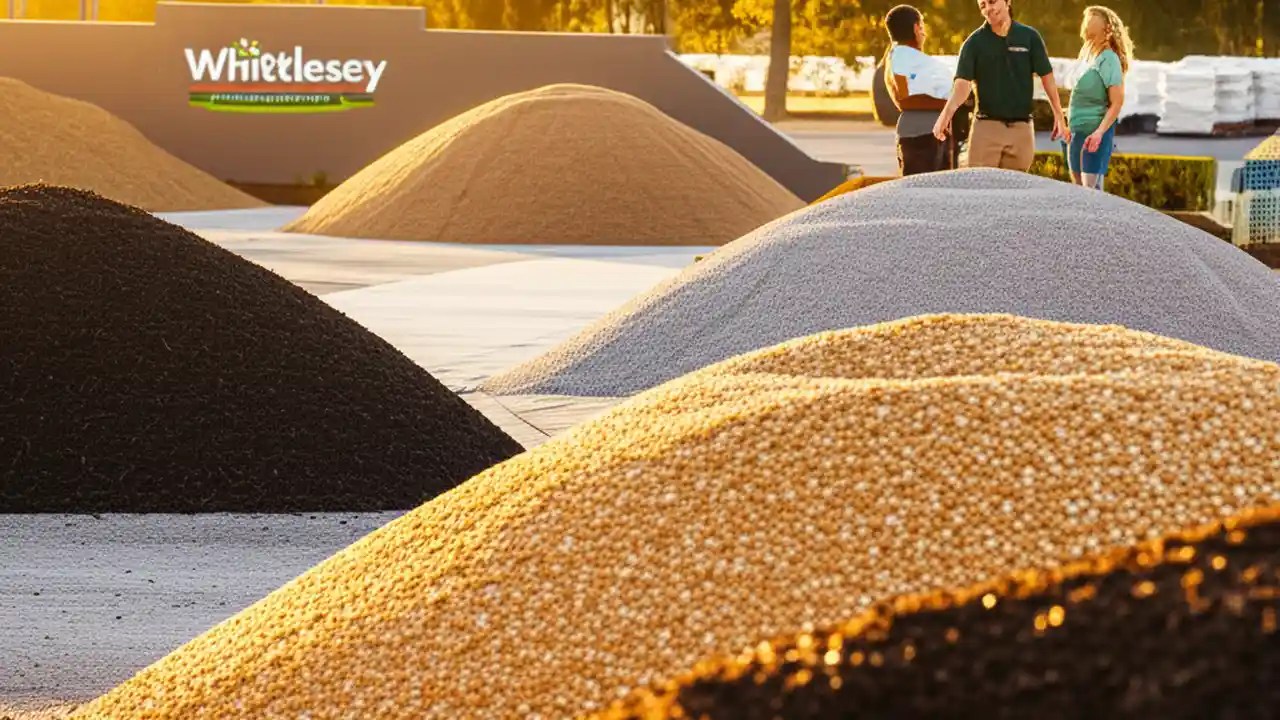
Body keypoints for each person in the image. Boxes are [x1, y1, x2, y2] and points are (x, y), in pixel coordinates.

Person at [932, 0, 1068, 171]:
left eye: (992, 2)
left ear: (1007, 2)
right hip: (986, 128)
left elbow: (1047, 77)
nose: (988, 9)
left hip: (1022, 129)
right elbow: (962, 85)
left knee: (1016, 190)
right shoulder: (974, 43)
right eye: (982, 5)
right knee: (981, 188)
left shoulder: (1029, 37)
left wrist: (1058, 114)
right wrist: (945, 116)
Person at [882, 4, 957, 175]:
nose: (924, 33)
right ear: (916, 28)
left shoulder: (903, 56)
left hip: (928, 135)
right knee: (924, 193)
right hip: (920, 138)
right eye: (922, 26)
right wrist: (949, 103)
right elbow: (905, 100)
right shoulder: (901, 56)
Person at [1067, 6, 1131, 190]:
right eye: (1088, 36)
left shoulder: (1109, 60)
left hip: (1094, 132)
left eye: (1093, 36)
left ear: (1106, 32)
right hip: (1077, 131)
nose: (1089, 41)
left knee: (1090, 195)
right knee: (1079, 192)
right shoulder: (1090, 58)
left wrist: (1099, 133)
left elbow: (1117, 102)